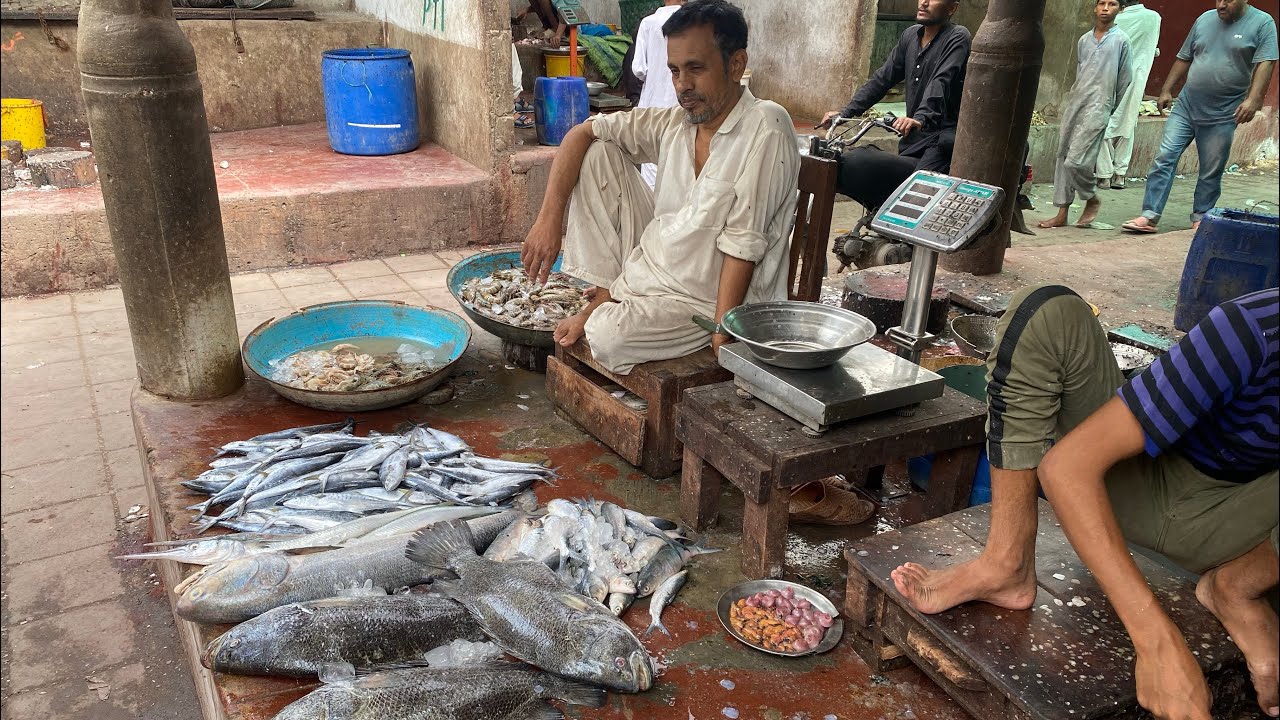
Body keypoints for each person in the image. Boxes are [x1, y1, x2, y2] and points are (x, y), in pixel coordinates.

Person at [888, 285, 1278, 719]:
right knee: (1047, 312)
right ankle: (1006, 562)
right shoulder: (1252, 328)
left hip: (1244, 533)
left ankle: (1238, 590)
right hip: (1133, 486)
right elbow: (1067, 469)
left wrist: (1246, 583)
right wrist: (1159, 645)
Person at [519, 0, 800, 376]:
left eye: (696, 69)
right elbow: (579, 133)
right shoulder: (675, 122)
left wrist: (722, 335)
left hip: (708, 300)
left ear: (736, 65)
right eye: (674, 70)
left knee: (606, 336)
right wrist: (549, 219)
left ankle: (616, 303)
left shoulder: (766, 125)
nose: (683, 84)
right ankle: (608, 291)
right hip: (658, 270)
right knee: (599, 152)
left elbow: (743, 245)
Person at [1122, 0, 1277, 234]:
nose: (1221, 5)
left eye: (1228, 0)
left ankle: (1201, 216)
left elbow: (1266, 62)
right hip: (1186, 106)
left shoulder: (1262, 23)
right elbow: (1185, 56)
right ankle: (1149, 215)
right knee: (1165, 157)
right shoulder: (1204, 19)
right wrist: (1166, 89)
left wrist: (1255, 99)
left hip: (1224, 112)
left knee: (1211, 169)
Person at [819, 0, 970, 212]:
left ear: (952, 8)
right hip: (913, 139)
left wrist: (921, 117)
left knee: (914, 201)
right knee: (852, 169)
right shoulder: (910, 36)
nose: (924, 3)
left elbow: (941, 80)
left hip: (940, 142)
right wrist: (845, 113)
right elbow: (882, 79)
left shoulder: (957, 37)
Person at [1038, 0, 1132, 229]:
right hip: (1076, 102)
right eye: (1102, 3)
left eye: (1112, 4)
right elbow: (1081, 72)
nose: (1106, 8)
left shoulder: (1121, 40)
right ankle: (1062, 212)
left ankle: (1091, 197)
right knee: (1063, 155)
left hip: (1099, 106)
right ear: (1095, 8)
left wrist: (1108, 106)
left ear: (1119, 9)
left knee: (1076, 161)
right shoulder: (1084, 40)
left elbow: (1125, 79)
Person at [1095, 1, 1161, 190]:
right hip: (1138, 80)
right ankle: (1120, 175)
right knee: (1128, 123)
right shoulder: (1154, 18)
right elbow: (1153, 48)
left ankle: (1105, 175)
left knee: (1105, 124)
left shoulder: (1118, 20)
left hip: (1113, 78)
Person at [632, 0, 685, 188]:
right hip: (681, 102)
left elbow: (638, 69)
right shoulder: (692, 23)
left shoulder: (648, 23)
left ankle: (652, 214)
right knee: (680, 163)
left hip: (652, 103)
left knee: (651, 165)